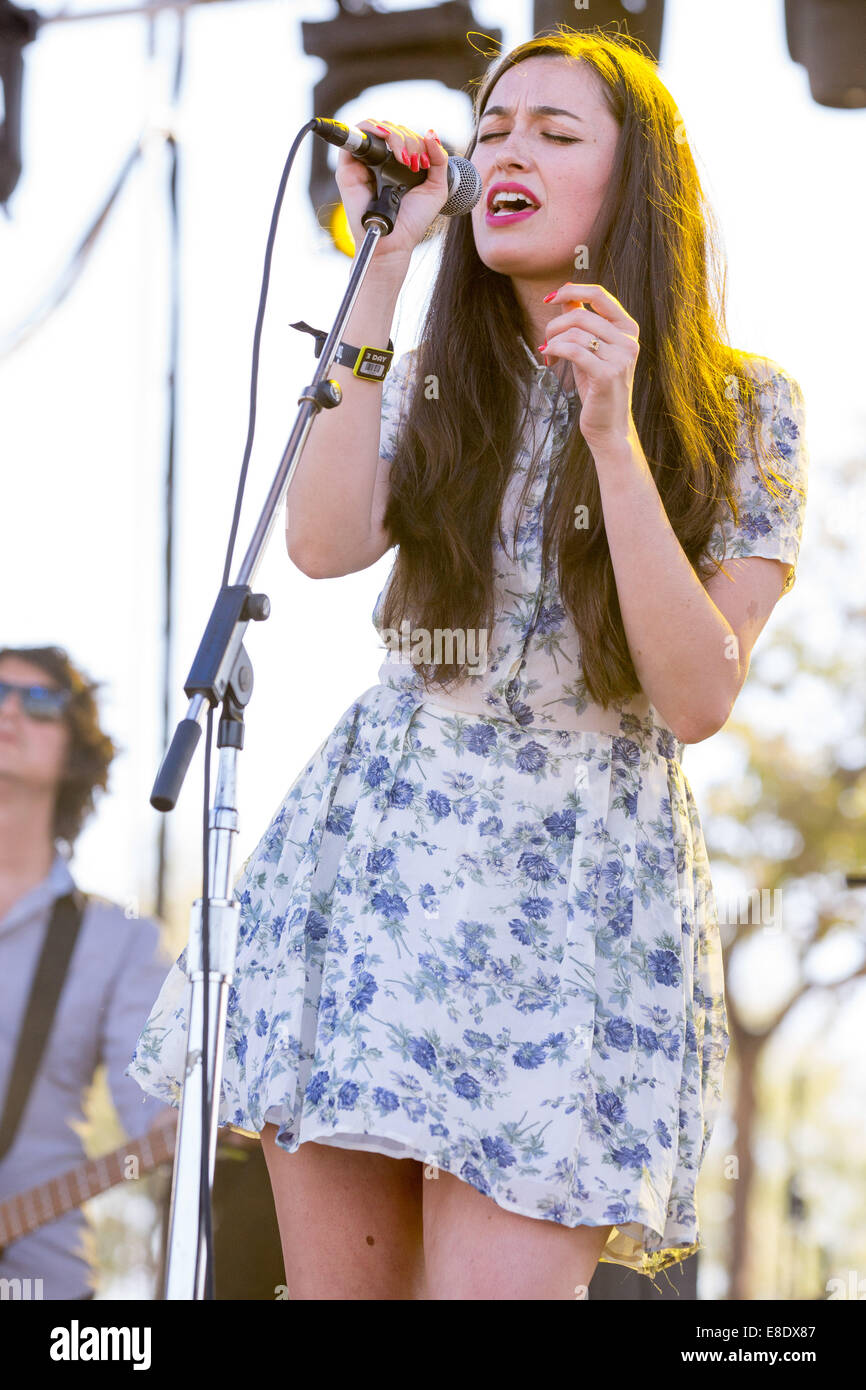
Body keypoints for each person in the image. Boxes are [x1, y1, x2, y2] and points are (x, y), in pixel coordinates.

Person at [126, 29, 808, 1300]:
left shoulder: (739, 405)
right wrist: (381, 267)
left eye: (555, 134)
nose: (508, 150)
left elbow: (698, 693)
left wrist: (612, 435)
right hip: (383, 851)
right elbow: (323, 543)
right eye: (494, 129)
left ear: (633, 186)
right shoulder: (438, 372)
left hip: (575, 886)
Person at [0, 646, 175, 1300]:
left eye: (40, 702)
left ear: (75, 750)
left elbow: (156, 1111)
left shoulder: (119, 941)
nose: (10, 712)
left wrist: (176, 1120)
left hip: (42, 1288)